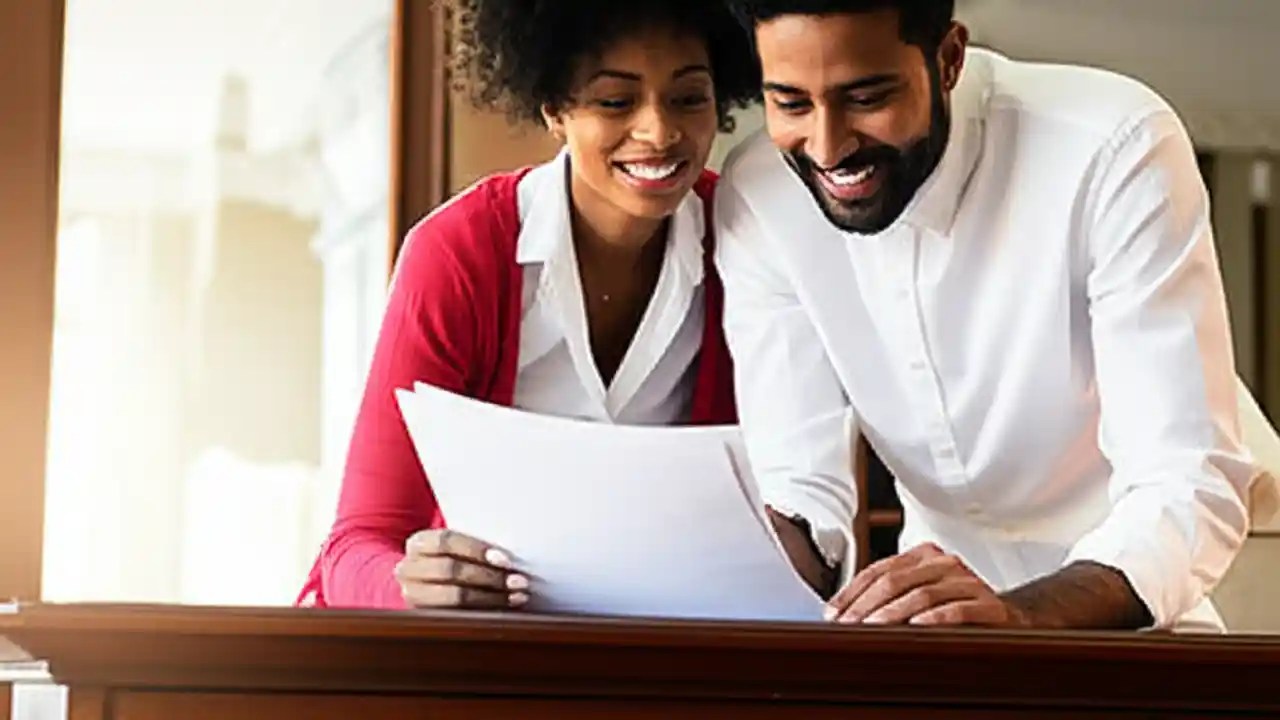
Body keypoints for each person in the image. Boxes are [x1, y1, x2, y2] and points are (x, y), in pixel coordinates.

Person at [716, 0, 1256, 631]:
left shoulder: (1113, 146)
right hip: (929, 638)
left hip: (1135, 634)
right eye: (790, 103)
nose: (828, 145)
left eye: (867, 97)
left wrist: (1016, 619)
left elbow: (1187, 482)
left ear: (948, 60)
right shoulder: (759, 194)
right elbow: (799, 490)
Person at [295, 0, 784, 611]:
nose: (659, 131)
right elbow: (356, 544)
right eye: (615, 101)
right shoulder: (458, 255)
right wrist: (413, 586)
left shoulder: (749, 240)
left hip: (663, 658)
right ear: (554, 108)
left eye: (689, 98)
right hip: (487, 661)